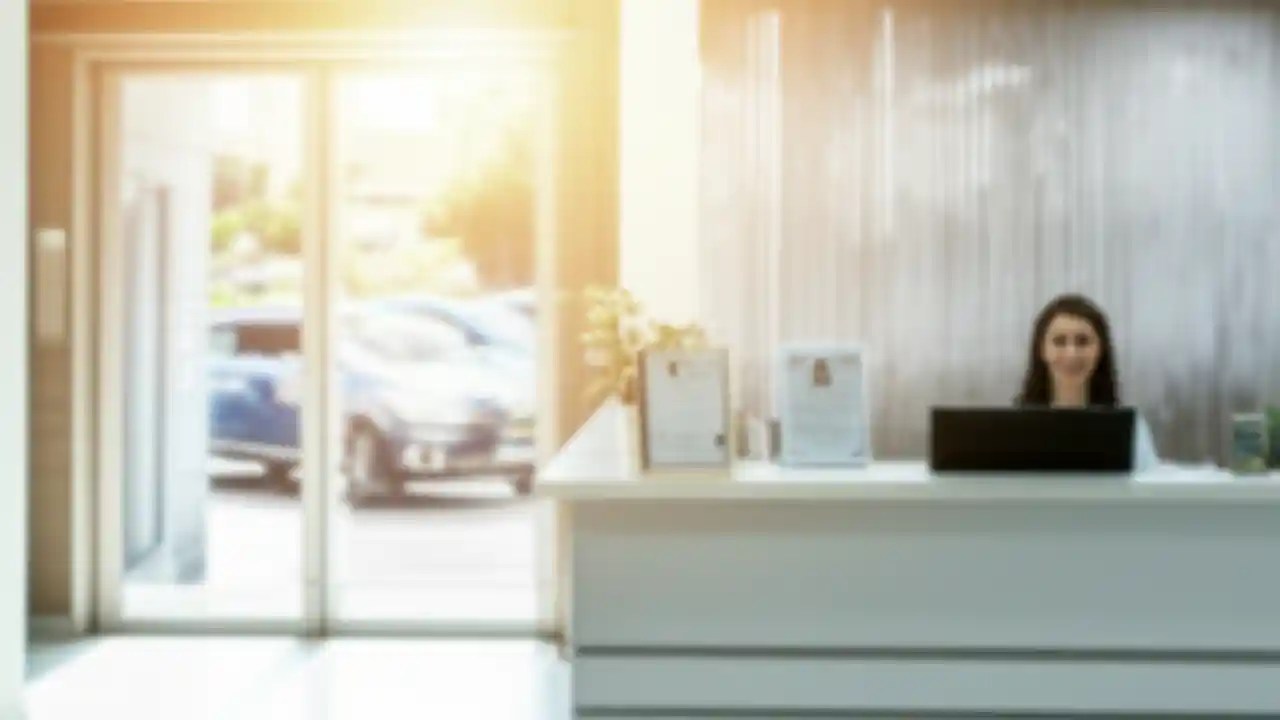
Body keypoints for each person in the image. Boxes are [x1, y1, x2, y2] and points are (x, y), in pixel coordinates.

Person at [1016, 293, 1160, 471]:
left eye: (1083, 341)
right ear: (1042, 350)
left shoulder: (1130, 429)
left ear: (1100, 350)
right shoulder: (1015, 431)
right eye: (1059, 341)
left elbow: (1149, 490)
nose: (1071, 354)